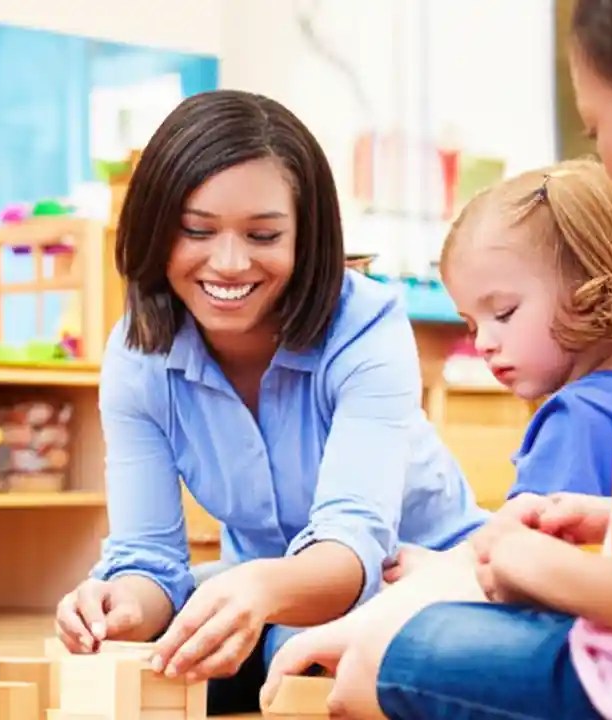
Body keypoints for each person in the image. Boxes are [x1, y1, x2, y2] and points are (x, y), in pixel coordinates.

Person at [262, 1, 612, 717]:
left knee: (379, 654)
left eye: (597, 128)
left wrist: (533, 563)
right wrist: (606, 524)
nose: (603, 157)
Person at [52, 89, 487, 715]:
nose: (228, 263)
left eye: (263, 235)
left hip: (423, 587)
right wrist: (119, 606)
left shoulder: (366, 324)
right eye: (197, 231)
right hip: (269, 597)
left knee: (287, 648)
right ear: (153, 232)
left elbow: (352, 548)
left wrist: (255, 588)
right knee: (167, 651)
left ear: (305, 237)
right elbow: (149, 559)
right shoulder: (138, 356)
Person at [383, 159, 612, 583]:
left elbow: (528, 569)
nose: (483, 343)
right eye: (472, 325)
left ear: (588, 288)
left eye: (504, 313)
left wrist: (439, 571)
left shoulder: (576, 417)